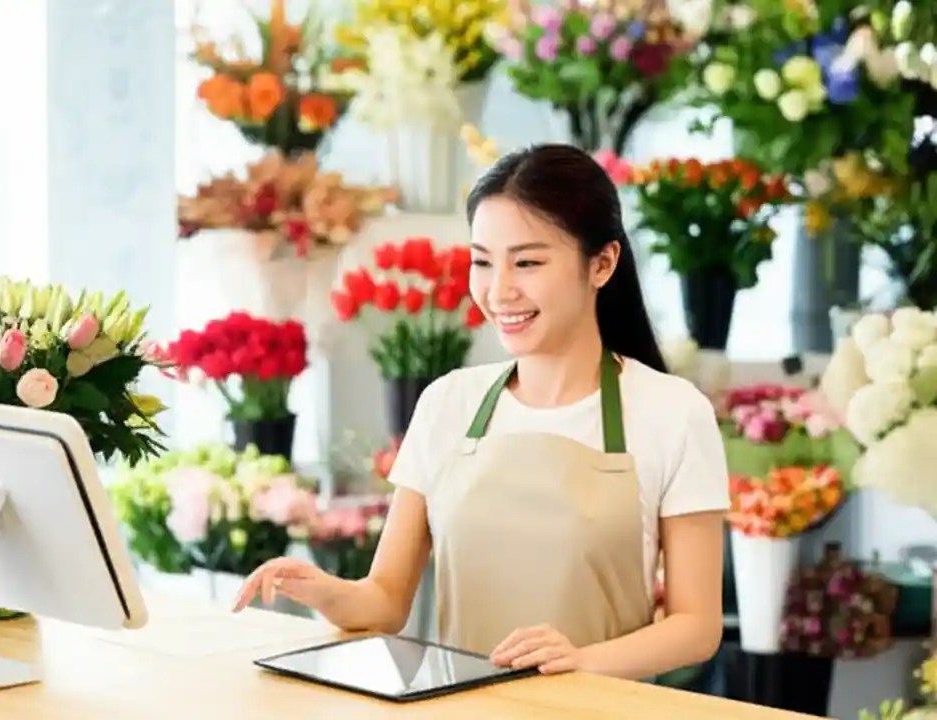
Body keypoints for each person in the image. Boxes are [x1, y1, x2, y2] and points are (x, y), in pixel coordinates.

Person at [232, 143, 727, 680]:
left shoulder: (672, 412)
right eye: (483, 261)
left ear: (602, 263)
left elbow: (696, 625)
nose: (499, 291)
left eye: (529, 262)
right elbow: (386, 599)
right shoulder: (448, 403)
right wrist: (324, 591)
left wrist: (583, 662)